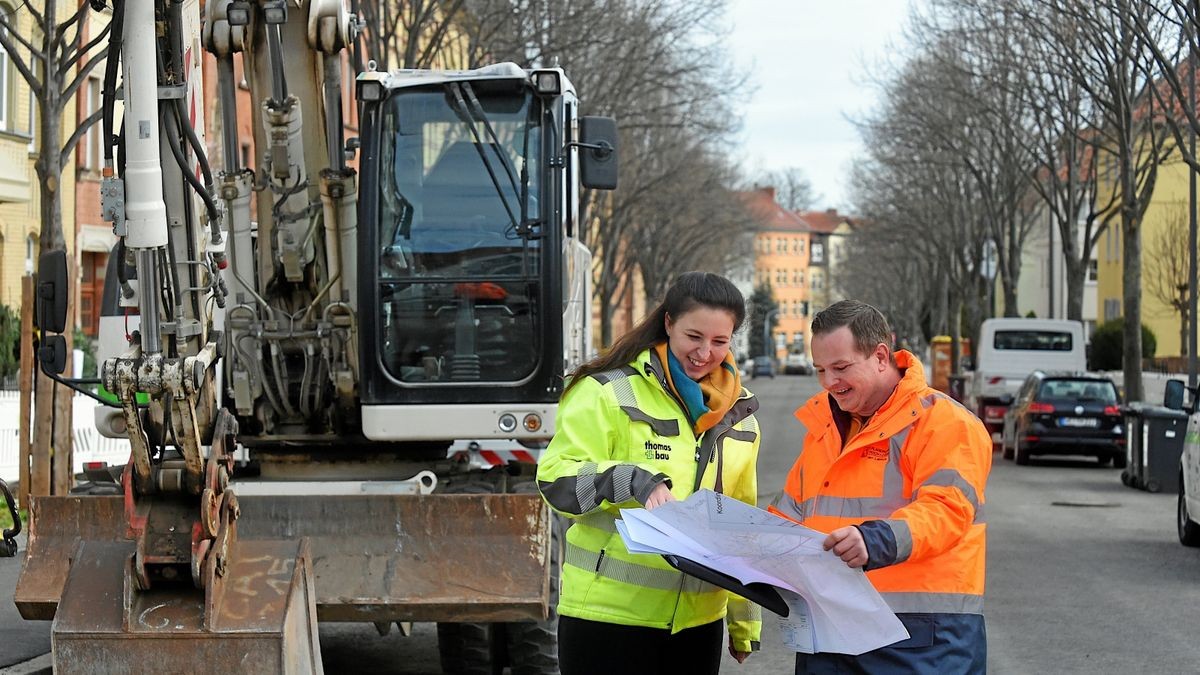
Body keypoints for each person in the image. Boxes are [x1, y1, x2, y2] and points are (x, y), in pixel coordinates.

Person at [537, 271, 762, 675]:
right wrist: (632, 480)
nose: (704, 353)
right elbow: (556, 481)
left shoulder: (741, 414)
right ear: (669, 323)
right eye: (694, 336)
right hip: (608, 620)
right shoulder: (606, 390)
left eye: (719, 341)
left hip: (697, 627)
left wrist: (744, 621)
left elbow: (739, 523)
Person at [770, 300, 991, 673]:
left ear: (880, 356)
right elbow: (788, 515)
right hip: (831, 633)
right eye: (820, 370)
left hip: (921, 641)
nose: (829, 382)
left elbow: (947, 510)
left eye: (841, 368)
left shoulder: (946, 423)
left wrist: (873, 540)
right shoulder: (826, 429)